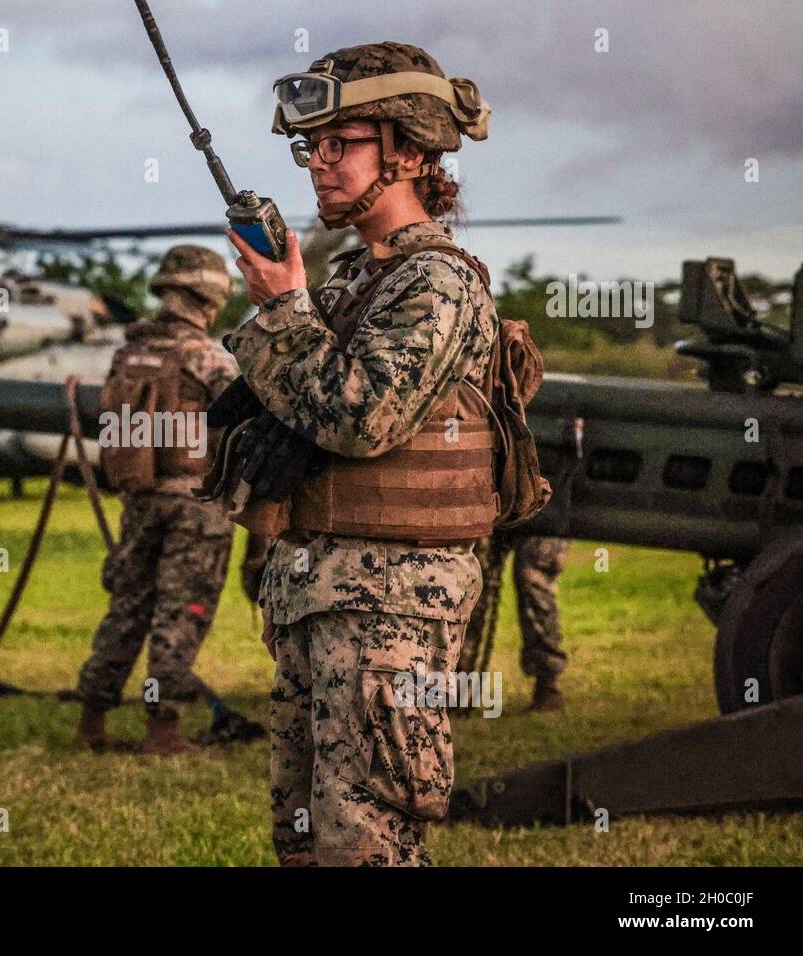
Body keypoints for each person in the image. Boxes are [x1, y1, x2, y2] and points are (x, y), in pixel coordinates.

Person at [219, 43, 509, 865]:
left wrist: (283, 310)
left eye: (340, 142)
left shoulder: (439, 285)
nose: (318, 162)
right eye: (310, 146)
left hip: (393, 611)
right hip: (322, 597)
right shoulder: (354, 281)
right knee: (305, 842)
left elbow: (361, 418)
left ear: (411, 152)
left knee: (365, 843)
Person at [70, 245, 239, 756]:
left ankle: (92, 720)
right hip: (196, 504)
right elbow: (244, 418)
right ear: (208, 296)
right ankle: (163, 730)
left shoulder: (128, 355)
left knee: (127, 606)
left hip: (139, 500)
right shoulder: (205, 356)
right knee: (182, 612)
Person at [458, 533, 571, 712]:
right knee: (470, 589)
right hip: (490, 515)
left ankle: (548, 686)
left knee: (534, 585)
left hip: (544, 516)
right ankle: (458, 685)